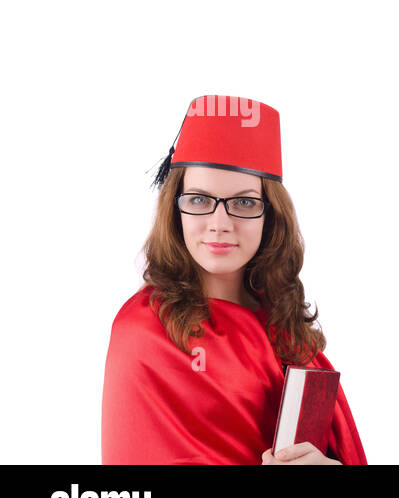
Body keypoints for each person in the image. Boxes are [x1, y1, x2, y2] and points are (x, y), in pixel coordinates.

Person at [102, 95, 366, 465]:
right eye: (198, 200)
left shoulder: (290, 333)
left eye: (243, 203)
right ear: (175, 208)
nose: (219, 223)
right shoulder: (145, 331)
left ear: (269, 215)